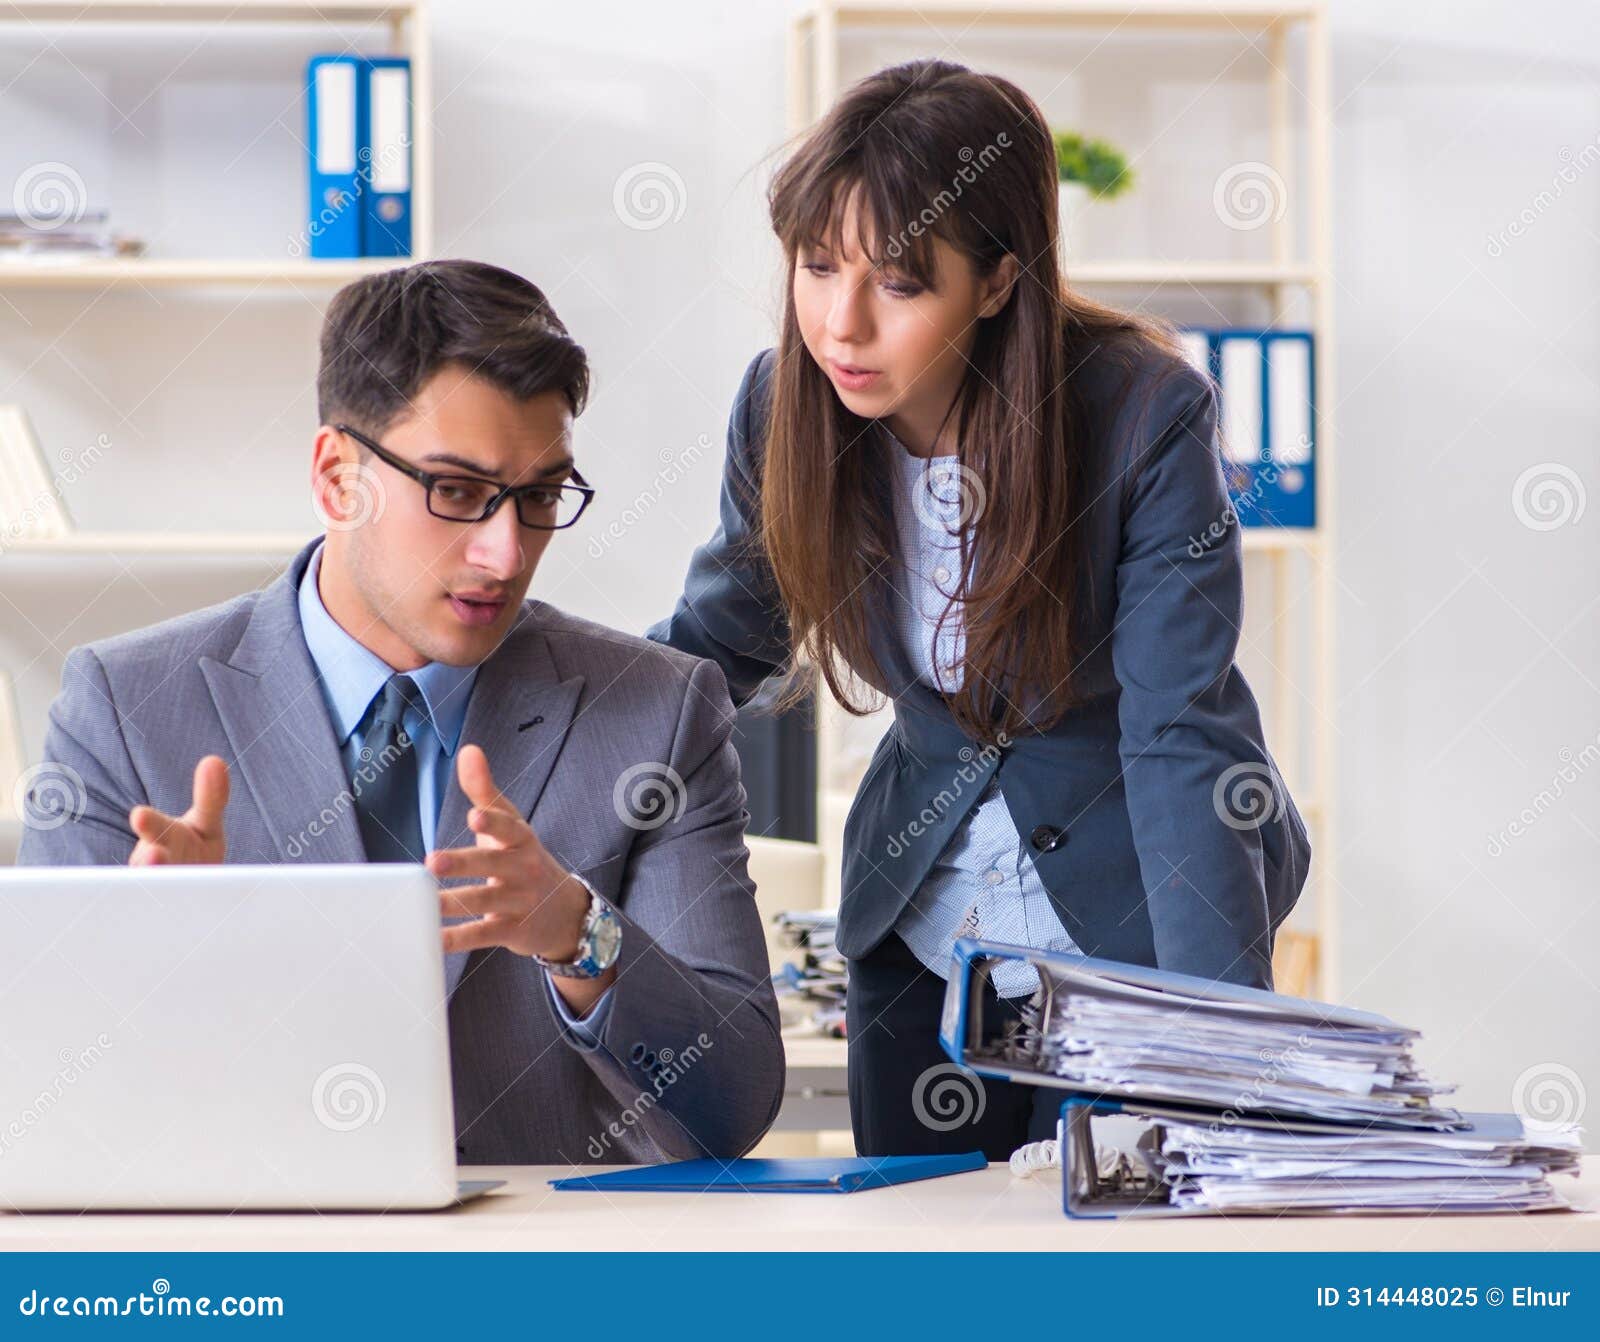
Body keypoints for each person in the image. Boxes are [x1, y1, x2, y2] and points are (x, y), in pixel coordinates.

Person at [647, 60, 1310, 1160]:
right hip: (922, 923)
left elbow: (1178, 728)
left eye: (900, 284)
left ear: (999, 282)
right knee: (919, 1252)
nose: (840, 325)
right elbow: (718, 643)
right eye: (817, 267)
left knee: (1122, 1255)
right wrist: (553, 738)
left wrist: (1218, 1048)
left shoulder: (1140, 412)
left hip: (1130, 918)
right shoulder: (784, 404)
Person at [18, 259, 783, 1165]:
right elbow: (45, 1109)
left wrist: (580, 934)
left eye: (538, 498)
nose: (506, 554)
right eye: (456, 493)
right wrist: (153, 963)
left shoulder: (654, 711)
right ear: (339, 477)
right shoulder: (127, 707)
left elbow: (730, 1107)